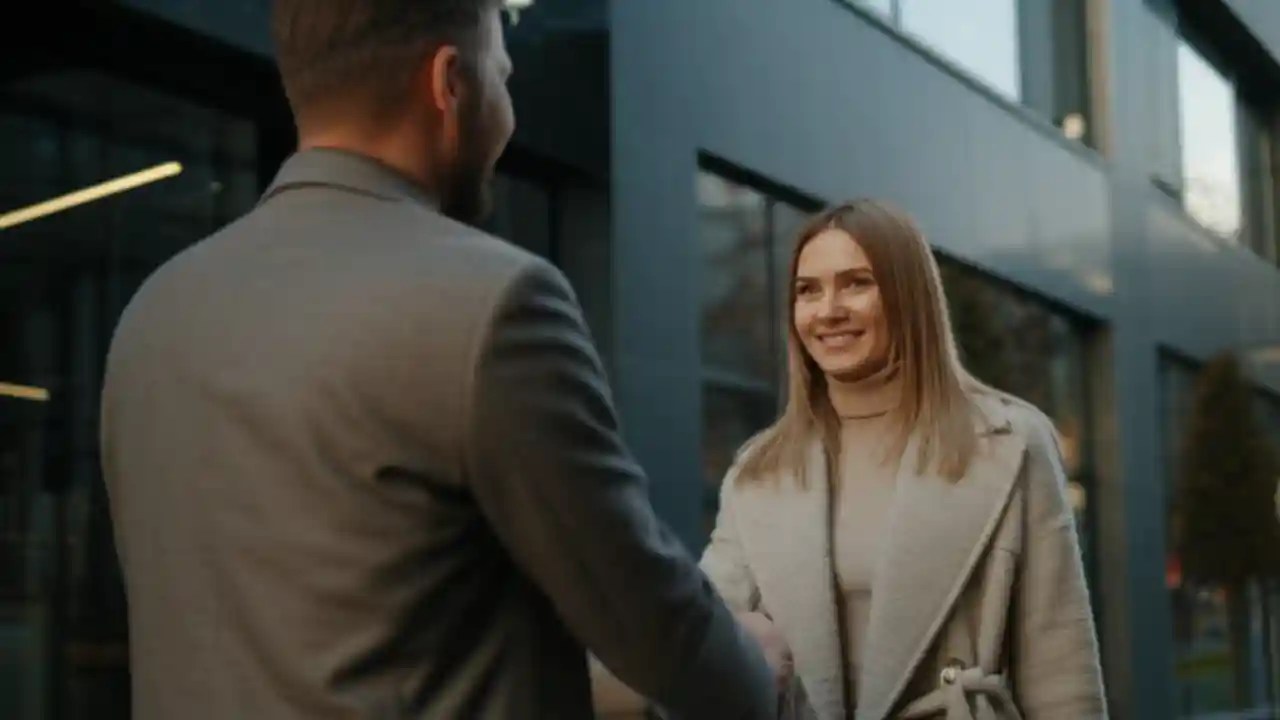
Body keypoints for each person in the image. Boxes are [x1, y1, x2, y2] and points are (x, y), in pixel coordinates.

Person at [98, 1, 780, 718]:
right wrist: (755, 667)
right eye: (502, 77)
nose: (507, 114)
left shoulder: (152, 314)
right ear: (449, 83)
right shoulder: (495, 303)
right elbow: (653, 624)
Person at [699, 200, 1108, 719]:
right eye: (808, 290)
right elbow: (697, 636)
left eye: (856, 283)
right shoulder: (759, 470)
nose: (828, 310)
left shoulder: (1011, 442)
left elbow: (1062, 673)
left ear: (908, 295)